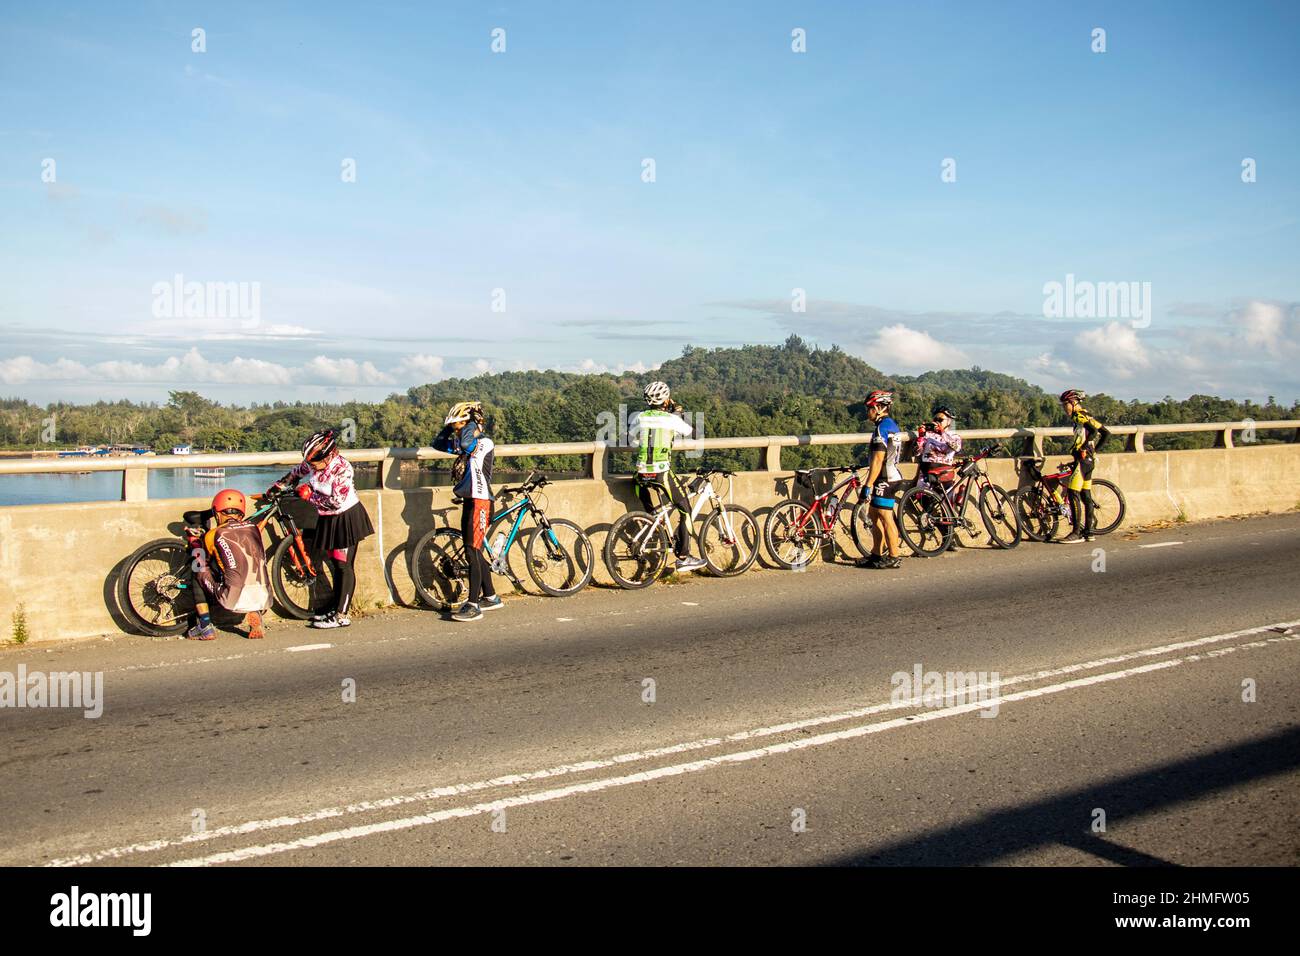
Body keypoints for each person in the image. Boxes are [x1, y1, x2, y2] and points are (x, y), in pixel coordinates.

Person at [267, 429, 374, 628]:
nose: (312, 467)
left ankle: (341, 615)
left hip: (346, 517)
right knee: (335, 563)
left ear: (328, 455)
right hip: (328, 519)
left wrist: (308, 496)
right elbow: (297, 472)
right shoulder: (314, 463)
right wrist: (279, 485)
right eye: (310, 462)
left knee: (344, 566)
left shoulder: (342, 469)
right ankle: (333, 608)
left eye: (315, 463)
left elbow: (335, 501)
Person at [433, 401, 503, 621]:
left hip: (481, 501)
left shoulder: (484, 443)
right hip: (470, 500)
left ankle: (473, 604)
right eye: (456, 426)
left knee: (472, 551)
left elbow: (465, 444)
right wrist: (449, 427)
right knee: (472, 548)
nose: (458, 429)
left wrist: (471, 425)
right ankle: (490, 596)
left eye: (461, 424)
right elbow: (437, 444)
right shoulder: (467, 439)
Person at [628, 381, 705, 572]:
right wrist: (679, 413)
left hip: (640, 473)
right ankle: (684, 557)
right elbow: (696, 433)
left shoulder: (640, 417)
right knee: (685, 509)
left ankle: (653, 514)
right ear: (666, 399)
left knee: (640, 485)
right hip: (661, 472)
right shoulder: (672, 419)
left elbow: (632, 439)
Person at [184, 489, 270, 641]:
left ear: (217, 513)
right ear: (241, 513)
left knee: (197, 564)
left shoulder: (214, 534)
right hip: (265, 595)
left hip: (233, 597)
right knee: (248, 567)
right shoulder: (254, 529)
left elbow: (204, 559)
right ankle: (255, 612)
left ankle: (204, 626)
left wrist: (194, 541)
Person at [857, 389, 906, 569]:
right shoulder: (890, 424)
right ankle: (876, 554)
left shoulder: (881, 429)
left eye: (869, 408)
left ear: (878, 407)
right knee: (874, 515)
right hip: (890, 476)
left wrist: (868, 485)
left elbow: (878, 460)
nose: (867, 411)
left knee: (885, 517)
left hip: (886, 479)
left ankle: (894, 556)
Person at [1059, 389, 1111, 542]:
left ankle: (1076, 533)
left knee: (1072, 493)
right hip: (1089, 461)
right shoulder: (1087, 415)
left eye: (1065, 405)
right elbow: (1106, 433)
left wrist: (1083, 449)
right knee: (1085, 495)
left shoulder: (1078, 415)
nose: (1064, 408)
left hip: (1083, 461)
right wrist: (1093, 452)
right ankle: (1089, 532)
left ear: (1074, 403)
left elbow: (1093, 432)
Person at [915, 406, 963, 495]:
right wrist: (921, 436)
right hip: (926, 470)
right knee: (921, 498)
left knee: (947, 503)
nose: (937, 422)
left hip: (943, 472)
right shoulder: (928, 435)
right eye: (935, 419)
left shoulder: (954, 436)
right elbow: (918, 452)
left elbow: (957, 447)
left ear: (949, 421)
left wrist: (942, 433)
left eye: (940, 420)